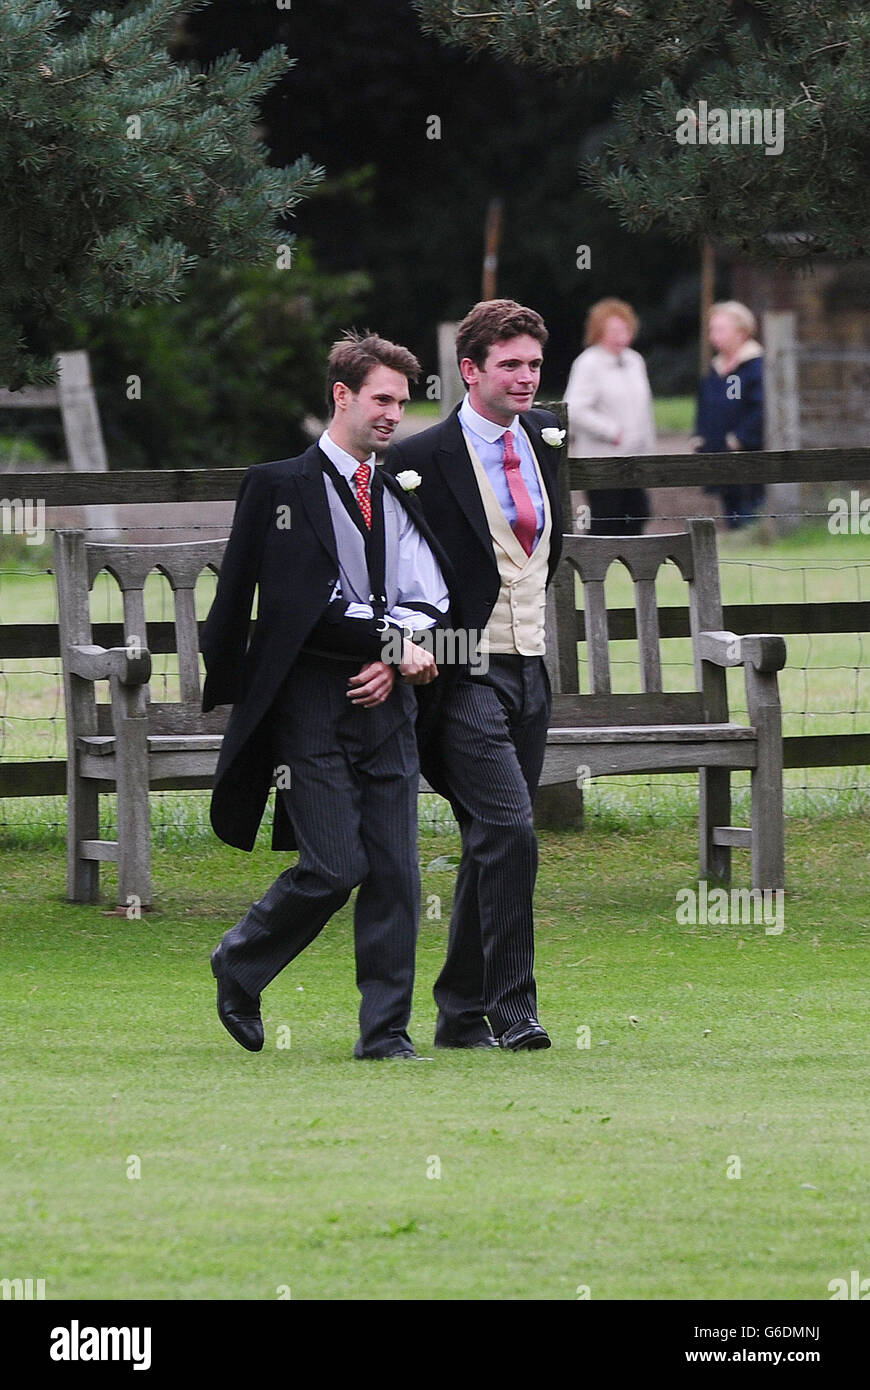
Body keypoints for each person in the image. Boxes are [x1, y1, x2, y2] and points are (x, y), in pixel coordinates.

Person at [201, 332, 454, 1061]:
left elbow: (427, 594)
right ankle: (240, 962)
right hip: (310, 702)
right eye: (381, 399)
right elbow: (292, 605)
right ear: (341, 395)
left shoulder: (399, 486)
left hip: (387, 705)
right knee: (336, 867)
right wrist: (383, 645)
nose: (392, 416)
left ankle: (385, 1035)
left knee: (398, 876)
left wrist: (401, 657)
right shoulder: (279, 486)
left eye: (401, 404)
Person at [386, 299, 563, 1051]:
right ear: (469, 372)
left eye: (533, 365)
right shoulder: (416, 460)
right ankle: (512, 1008)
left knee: (490, 837)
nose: (525, 379)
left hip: (532, 668)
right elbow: (386, 572)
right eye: (509, 365)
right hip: (461, 672)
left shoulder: (550, 440)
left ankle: (459, 1017)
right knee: (510, 827)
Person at [563, 297, 655, 535]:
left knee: (639, 512)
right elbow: (575, 408)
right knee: (606, 519)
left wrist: (648, 447)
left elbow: (644, 410)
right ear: (599, 331)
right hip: (602, 458)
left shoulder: (635, 361)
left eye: (625, 328)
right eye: (614, 330)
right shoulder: (588, 363)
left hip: (635, 459)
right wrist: (611, 432)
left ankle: (635, 568)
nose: (621, 335)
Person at [694, 300, 765, 529]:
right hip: (720, 458)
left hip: (750, 459)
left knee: (750, 513)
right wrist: (699, 435)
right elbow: (705, 405)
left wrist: (740, 438)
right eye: (712, 329)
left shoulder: (756, 365)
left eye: (720, 329)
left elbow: (761, 409)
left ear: (742, 332)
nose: (714, 335)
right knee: (731, 513)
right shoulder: (715, 368)